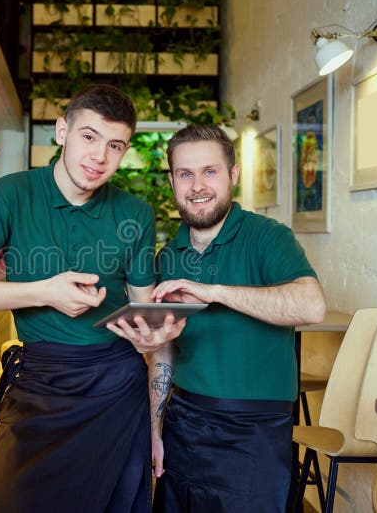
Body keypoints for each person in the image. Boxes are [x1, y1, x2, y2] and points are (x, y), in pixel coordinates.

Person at [0, 84, 185, 512]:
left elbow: (149, 322)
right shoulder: (12, 194)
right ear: (62, 131)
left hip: (117, 386)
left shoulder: (135, 213)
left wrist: (155, 426)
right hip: (39, 383)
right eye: (89, 137)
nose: (99, 157)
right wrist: (44, 293)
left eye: (114, 145)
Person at [144, 124, 326, 512]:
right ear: (172, 180)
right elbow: (163, 354)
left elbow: (311, 306)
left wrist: (214, 293)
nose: (197, 186)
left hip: (254, 432)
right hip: (183, 425)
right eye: (185, 174)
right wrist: (155, 429)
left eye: (209, 171)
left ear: (233, 175)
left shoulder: (267, 237)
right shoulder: (168, 257)